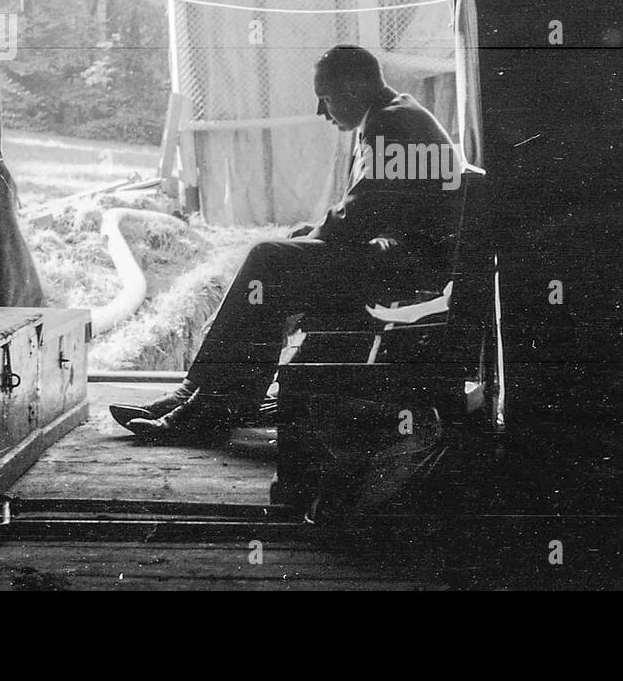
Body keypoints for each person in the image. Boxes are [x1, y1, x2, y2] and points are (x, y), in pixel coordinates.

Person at [111, 45, 463, 442]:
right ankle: (203, 395)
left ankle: (210, 401)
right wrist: (312, 234)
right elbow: (372, 209)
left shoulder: (392, 123)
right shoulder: (396, 114)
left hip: (406, 267)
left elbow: (363, 215)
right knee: (279, 258)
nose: (321, 112)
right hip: (404, 258)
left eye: (325, 98)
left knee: (268, 259)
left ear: (352, 89)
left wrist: (314, 237)